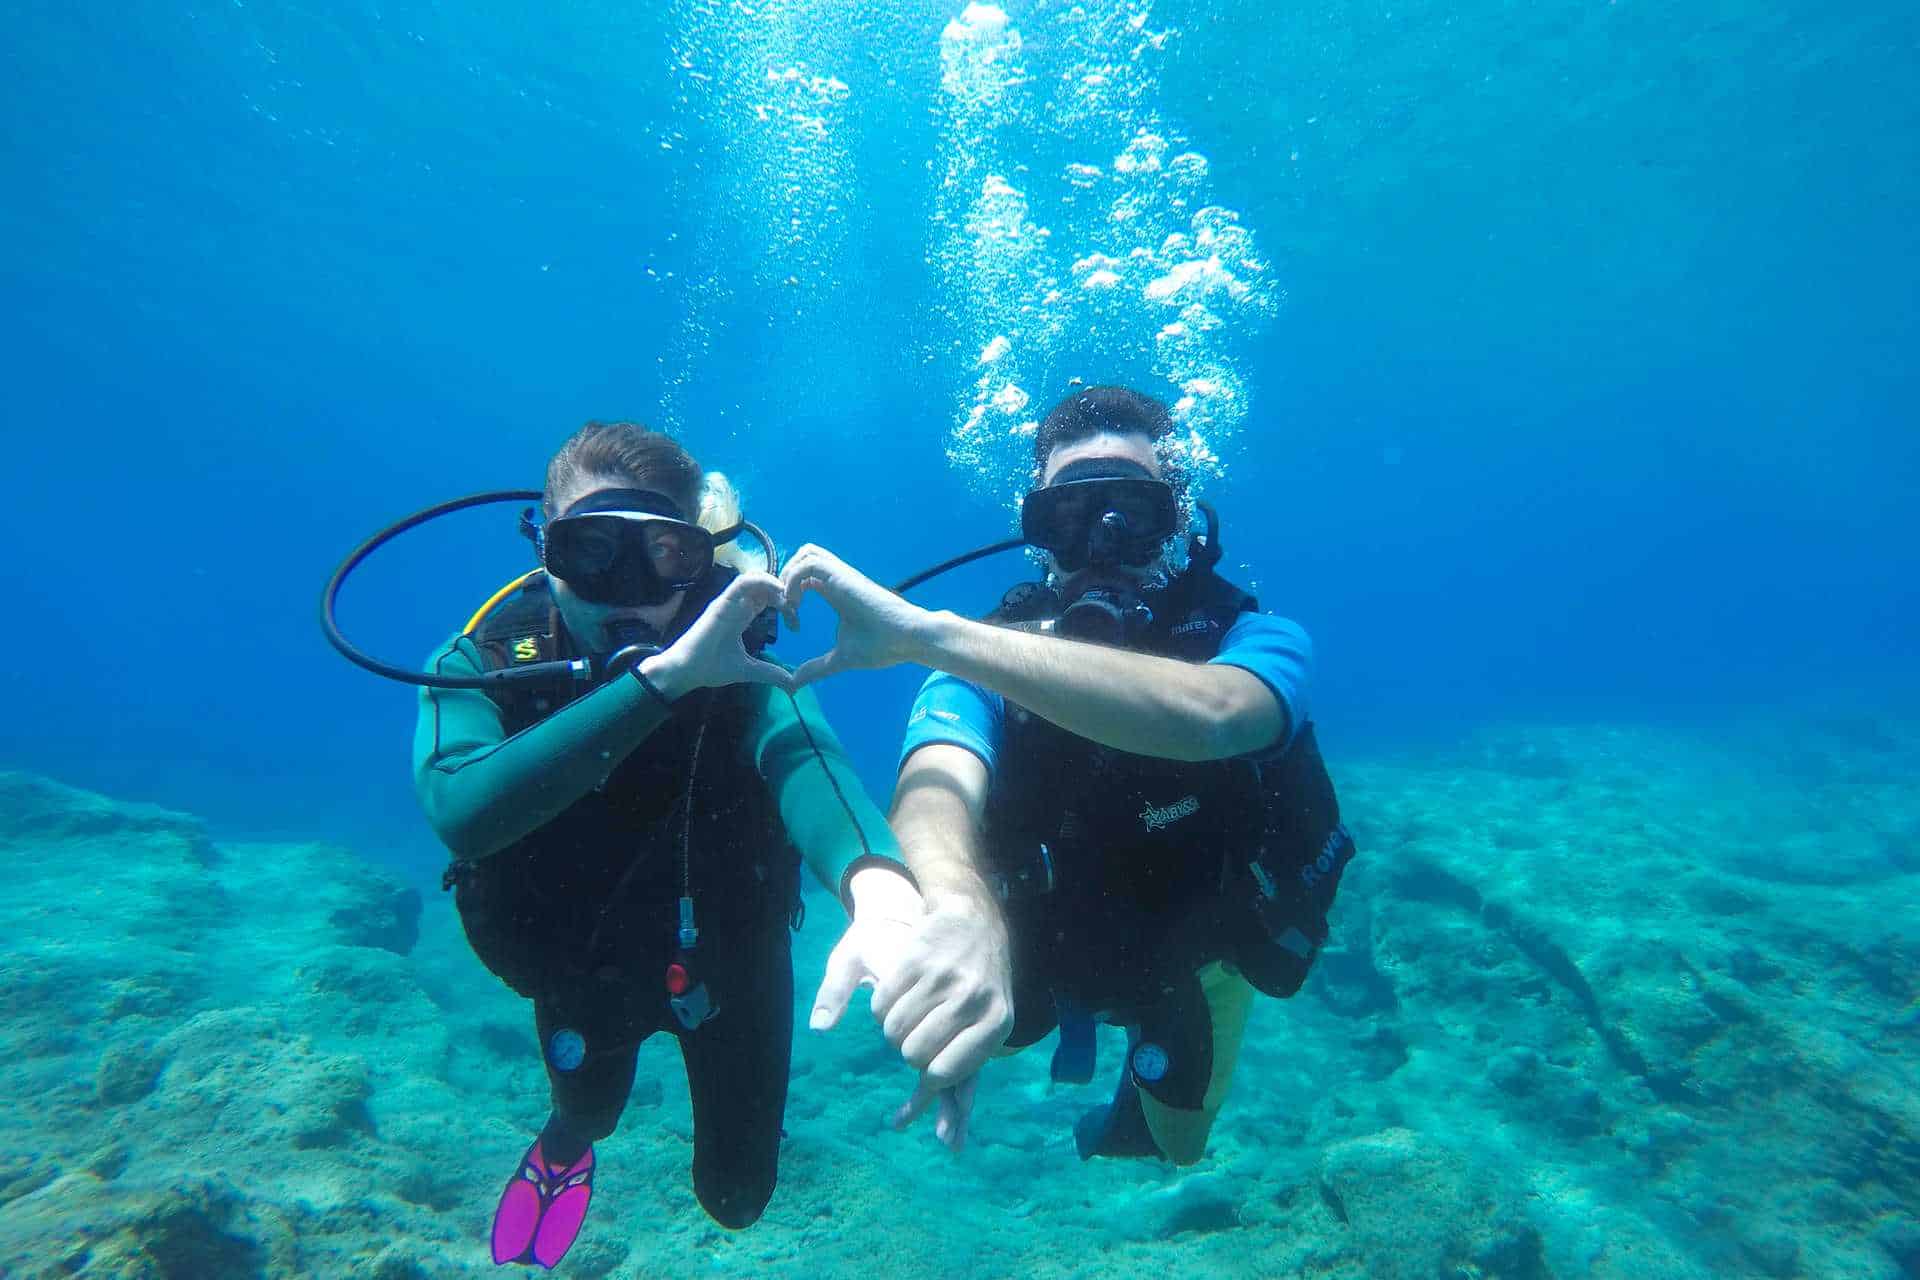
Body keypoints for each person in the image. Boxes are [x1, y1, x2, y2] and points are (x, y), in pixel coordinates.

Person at [787, 385, 1355, 1164]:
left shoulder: (1254, 637)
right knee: (989, 1030)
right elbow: (931, 792)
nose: (1102, 542)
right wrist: (957, 908)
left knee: (1180, 1147)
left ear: (1178, 519)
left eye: (1132, 510)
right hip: (1052, 941)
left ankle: (1142, 1085)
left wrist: (930, 636)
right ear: (1037, 534)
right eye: (1072, 517)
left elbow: (1217, 715)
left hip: (1202, 951)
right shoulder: (976, 659)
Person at [412, 421, 922, 1268]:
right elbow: (463, 808)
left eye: (664, 557)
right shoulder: (488, 661)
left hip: (729, 961)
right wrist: (664, 680)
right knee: (588, 1110)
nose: (629, 591)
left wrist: (878, 883)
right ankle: (564, 1154)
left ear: (699, 559)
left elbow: (804, 749)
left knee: (737, 1198)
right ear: (545, 550)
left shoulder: (741, 667)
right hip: (580, 959)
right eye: (592, 550)